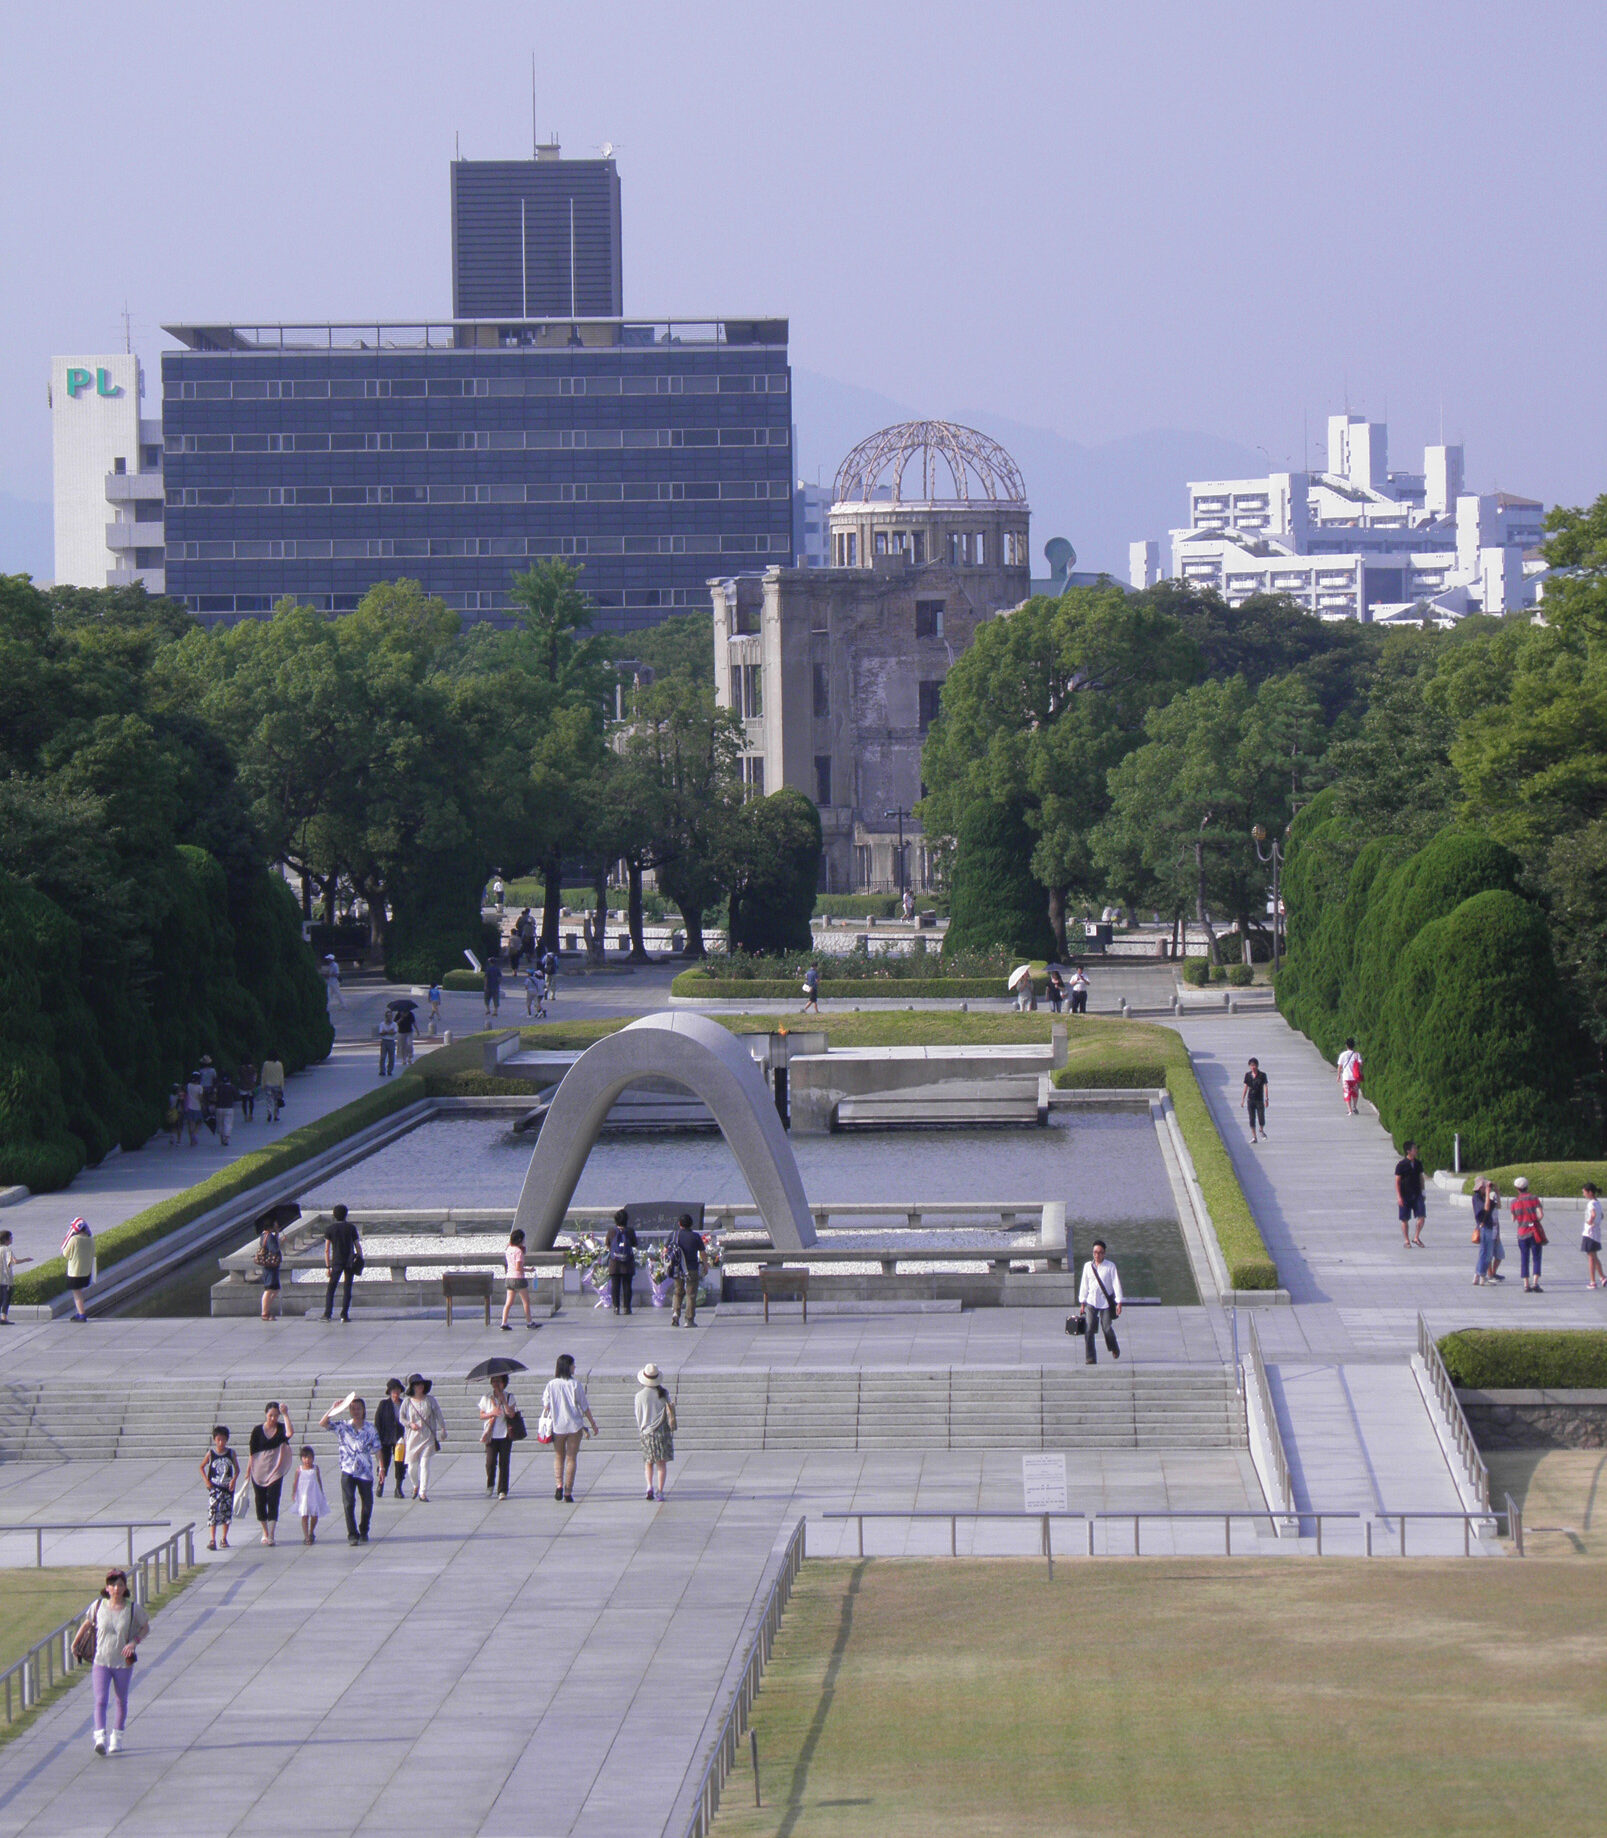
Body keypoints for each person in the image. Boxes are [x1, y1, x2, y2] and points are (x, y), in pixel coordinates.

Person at [79, 1569, 149, 1756]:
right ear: (107, 1588)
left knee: (120, 1699)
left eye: (120, 1584)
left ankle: (116, 1737)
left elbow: (145, 1627)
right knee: (101, 1700)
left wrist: (134, 1642)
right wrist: (75, 1642)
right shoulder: (98, 1606)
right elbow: (87, 1623)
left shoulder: (132, 1608)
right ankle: (100, 1736)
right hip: (101, 1660)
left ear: (125, 1587)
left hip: (122, 1663)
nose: (116, 1588)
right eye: (113, 1585)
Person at [319, 1394, 381, 1546]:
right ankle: (352, 1534)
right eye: (352, 1408)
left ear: (363, 1410)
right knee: (348, 1503)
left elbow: (377, 1448)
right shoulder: (343, 1426)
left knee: (367, 1503)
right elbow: (323, 1423)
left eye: (358, 1408)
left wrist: (382, 1466)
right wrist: (334, 1409)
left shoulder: (370, 1429)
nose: (355, 1411)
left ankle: (364, 1529)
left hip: (364, 1470)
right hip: (347, 1469)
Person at [542, 1353, 598, 1504]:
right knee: (571, 1458)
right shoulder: (575, 1384)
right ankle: (568, 1491)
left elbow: (546, 1406)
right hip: (574, 1425)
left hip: (557, 1426)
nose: (575, 1367)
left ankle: (559, 1484)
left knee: (559, 1456)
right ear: (568, 1367)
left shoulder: (551, 1384)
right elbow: (584, 1406)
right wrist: (592, 1423)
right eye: (573, 1364)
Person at [248, 1401, 295, 1545]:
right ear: (266, 1414)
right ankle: (265, 1532)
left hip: (276, 1468)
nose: (273, 1418)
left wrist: (286, 1414)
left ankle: (272, 1534)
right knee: (260, 1500)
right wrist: (247, 1471)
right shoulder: (257, 1431)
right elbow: (252, 1453)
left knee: (274, 1498)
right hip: (259, 1469)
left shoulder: (281, 1428)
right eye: (270, 1415)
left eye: (276, 1415)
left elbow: (289, 1433)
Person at [1076, 1239, 1124, 1366]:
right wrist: (1082, 1302)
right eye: (1095, 1252)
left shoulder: (1110, 1266)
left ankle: (1114, 1347)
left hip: (1106, 1303)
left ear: (1104, 1253)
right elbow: (1084, 1285)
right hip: (1091, 1302)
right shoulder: (1087, 1266)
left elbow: (1116, 1284)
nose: (1097, 1255)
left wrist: (1119, 1302)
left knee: (1107, 1328)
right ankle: (1090, 1357)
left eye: (1100, 1252)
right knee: (1089, 1329)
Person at [401, 1373, 446, 1501]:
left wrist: (443, 1428)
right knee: (411, 1468)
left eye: (421, 1384)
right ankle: (416, 1485)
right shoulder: (407, 1402)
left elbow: (438, 1414)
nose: (419, 1386)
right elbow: (401, 1418)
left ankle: (423, 1492)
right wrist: (410, 1424)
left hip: (428, 1436)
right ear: (412, 1387)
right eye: (416, 1384)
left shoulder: (430, 1400)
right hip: (412, 1437)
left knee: (425, 1463)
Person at [635, 1362, 675, 1501]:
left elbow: (638, 1415)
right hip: (662, 1431)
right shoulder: (663, 1393)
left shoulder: (640, 1396)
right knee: (661, 1464)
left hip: (647, 1432)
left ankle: (649, 1487)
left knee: (648, 1462)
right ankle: (660, 1491)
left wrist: (642, 1429)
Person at [479, 1372, 520, 1501]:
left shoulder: (509, 1397)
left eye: (499, 1381)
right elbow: (481, 1415)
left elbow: (511, 1414)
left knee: (504, 1462)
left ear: (504, 1383)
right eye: (494, 1381)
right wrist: (492, 1413)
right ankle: (490, 1483)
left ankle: (502, 1490)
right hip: (491, 1434)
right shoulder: (487, 1397)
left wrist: (503, 1401)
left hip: (505, 1434)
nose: (496, 1384)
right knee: (490, 1462)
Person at [198, 1425, 239, 1552]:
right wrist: (206, 1481)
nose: (221, 1442)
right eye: (218, 1439)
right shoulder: (211, 1454)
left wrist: (233, 1480)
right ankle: (212, 1539)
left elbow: (237, 1470)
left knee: (226, 1513)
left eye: (223, 1440)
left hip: (227, 1488)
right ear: (215, 1440)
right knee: (213, 1513)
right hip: (215, 1487)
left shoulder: (231, 1453)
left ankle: (224, 1538)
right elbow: (201, 1467)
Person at [668, 1213, 707, 1329]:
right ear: (691, 1224)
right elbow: (702, 1253)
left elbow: (666, 1251)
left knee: (678, 1292)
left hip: (677, 1268)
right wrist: (705, 1265)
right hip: (691, 1268)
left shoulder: (674, 1235)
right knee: (691, 1294)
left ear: (679, 1224)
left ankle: (675, 1313)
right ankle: (689, 1320)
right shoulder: (695, 1236)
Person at [323, 1204, 361, 1322]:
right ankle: (344, 1314)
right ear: (346, 1214)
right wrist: (360, 1258)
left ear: (334, 1215)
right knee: (347, 1288)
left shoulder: (330, 1229)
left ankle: (327, 1314)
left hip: (336, 1261)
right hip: (349, 1261)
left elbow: (327, 1249)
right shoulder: (351, 1228)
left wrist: (327, 1266)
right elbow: (357, 1246)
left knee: (331, 1288)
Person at [1511, 1176, 1546, 1292]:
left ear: (1517, 1188)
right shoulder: (1534, 1198)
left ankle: (1526, 1284)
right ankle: (1535, 1283)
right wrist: (1534, 1221)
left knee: (1524, 1258)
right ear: (1527, 1186)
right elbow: (1541, 1215)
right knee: (1537, 1257)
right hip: (1534, 1232)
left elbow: (1513, 1219)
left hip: (1522, 1233)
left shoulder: (1514, 1202)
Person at [374, 1378, 407, 1498]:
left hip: (399, 1439)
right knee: (384, 1462)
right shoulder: (384, 1404)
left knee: (400, 1463)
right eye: (393, 1390)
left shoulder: (404, 1404)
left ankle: (398, 1488)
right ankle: (381, 1484)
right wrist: (377, 1437)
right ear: (390, 1392)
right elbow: (378, 1421)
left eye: (398, 1390)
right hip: (385, 1438)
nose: (396, 1393)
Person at [293, 1446, 328, 1544]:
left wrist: (321, 1492)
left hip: (313, 1494)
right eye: (304, 1458)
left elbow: (319, 1480)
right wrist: (294, 1493)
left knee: (314, 1515)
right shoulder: (299, 1470)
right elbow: (295, 1482)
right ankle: (306, 1536)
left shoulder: (316, 1468)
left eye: (309, 1457)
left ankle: (311, 1531)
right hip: (303, 1495)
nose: (307, 1460)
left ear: (313, 1458)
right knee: (304, 1515)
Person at [607, 1208, 638, 1316]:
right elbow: (635, 1244)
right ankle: (627, 1308)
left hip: (614, 1264)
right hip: (627, 1263)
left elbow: (608, 1244)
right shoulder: (630, 1231)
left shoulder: (611, 1231)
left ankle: (616, 1307)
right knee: (627, 1286)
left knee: (615, 1286)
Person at [1395, 1140, 1427, 1247]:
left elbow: (1421, 1178)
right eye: (1414, 1149)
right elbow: (1397, 1182)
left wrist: (1423, 1192)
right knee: (1404, 1219)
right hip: (1405, 1195)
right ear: (1408, 1151)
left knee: (1421, 1216)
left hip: (1417, 1194)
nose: (1416, 1150)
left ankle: (1416, 1237)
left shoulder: (1418, 1163)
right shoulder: (1401, 1165)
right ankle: (1406, 1240)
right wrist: (1399, 1196)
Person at [501, 1228, 534, 1331]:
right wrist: (529, 1270)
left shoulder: (508, 1249)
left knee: (508, 1303)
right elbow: (518, 1268)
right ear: (520, 1239)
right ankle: (529, 1322)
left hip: (509, 1278)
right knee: (526, 1301)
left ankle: (504, 1323)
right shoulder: (518, 1251)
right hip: (518, 1278)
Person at [62, 1216, 94, 1320]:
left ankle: (81, 1314)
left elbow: (66, 1254)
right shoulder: (90, 1239)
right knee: (79, 1292)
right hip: (86, 1271)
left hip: (75, 1271)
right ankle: (80, 1312)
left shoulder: (74, 1240)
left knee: (77, 1293)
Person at [255, 1212, 284, 1322]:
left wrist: (277, 1234)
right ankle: (265, 1313)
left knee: (275, 1289)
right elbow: (274, 1250)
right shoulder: (270, 1237)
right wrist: (280, 1241)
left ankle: (267, 1310)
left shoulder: (264, 1235)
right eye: (275, 1223)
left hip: (270, 1266)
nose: (277, 1224)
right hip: (270, 1267)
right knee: (269, 1289)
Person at [0, 1228, 30, 1324]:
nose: (12, 1239)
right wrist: (26, 1259)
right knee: (6, 1298)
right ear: (6, 1240)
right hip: (6, 1278)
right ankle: (4, 1318)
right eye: (11, 1238)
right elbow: (15, 1261)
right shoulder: (7, 1249)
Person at [1241, 1058, 1269, 1143]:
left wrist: (1266, 1098)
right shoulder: (1248, 1075)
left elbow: (1265, 1086)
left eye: (1254, 1065)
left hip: (1259, 1099)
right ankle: (1254, 1137)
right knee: (1251, 1118)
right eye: (1251, 1065)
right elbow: (1246, 1087)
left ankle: (1261, 1129)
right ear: (1249, 1066)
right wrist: (1243, 1099)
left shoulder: (1262, 1075)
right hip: (1251, 1099)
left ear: (1257, 1066)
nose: (1253, 1067)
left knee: (1261, 1118)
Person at [1583, 1182, 1605, 1290]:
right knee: (1595, 1256)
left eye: (1584, 1192)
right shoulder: (1598, 1202)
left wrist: (1590, 1221)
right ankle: (1602, 1277)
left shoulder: (1591, 1203)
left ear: (1590, 1192)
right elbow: (1601, 1216)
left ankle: (1593, 1281)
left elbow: (1593, 1214)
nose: (1583, 1194)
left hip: (1590, 1233)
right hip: (1596, 1232)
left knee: (1591, 1258)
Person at [1337, 1038, 1363, 1115]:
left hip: (1346, 1077)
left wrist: (1338, 1075)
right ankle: (1354, 1107)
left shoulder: (1343, 1054)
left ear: (1346, 1045)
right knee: (1355, 1092)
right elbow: (1361, 1063)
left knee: (1347, 1092)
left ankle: (1349, 1109)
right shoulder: (1357, 1054)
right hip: (1355, 1077)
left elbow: (1340, 1066)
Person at [214, 1069, 238, 1147]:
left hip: (219, 1107)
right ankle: (226, 1139)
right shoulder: (232, 1087)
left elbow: (214, 1096)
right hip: (229, 1107)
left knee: (220, 1123)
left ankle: (221, 1138)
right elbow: (236, 1097)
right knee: (228, 1123)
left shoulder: (218, 1087)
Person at [183, 1070, 206, 1146]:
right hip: (197, 1107)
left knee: (190, 1124)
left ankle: (191, 1140)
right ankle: (194, 1135)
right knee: (199, 1123)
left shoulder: (188, 1085)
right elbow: (200, 1098)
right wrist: (203, 1104)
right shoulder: (200, 1087)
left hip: (188, 1107)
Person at [261, 1052, 285, 1124]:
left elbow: (263, 1075)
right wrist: (282, 1086)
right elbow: (281, 1076)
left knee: (269, 1100)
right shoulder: (279, 1064)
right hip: (277, 1085)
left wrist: (263, 1084)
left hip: (268, 1085)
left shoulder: (266, 1064)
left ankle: (269, 1112)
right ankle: (276, 1115)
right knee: (276, 1101)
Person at [395, 1003, 416, 1067]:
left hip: (409, 1031)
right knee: (402, 1046)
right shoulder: (398, 1014)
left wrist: (417, 1030)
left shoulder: (410, 1014)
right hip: (401, 1032)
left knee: (410, 1044)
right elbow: (395, 1023)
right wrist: (401, 1018)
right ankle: (404, 1059)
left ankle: (409, 1057)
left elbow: (413, 1022)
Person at [377, 1012, 397, 1078]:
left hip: (391, 1041)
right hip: (384, 1041)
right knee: (383, 1057)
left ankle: (390, 1070)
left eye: (391, 1016)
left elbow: (394, 1032)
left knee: (391, 1057)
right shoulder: (382, 1024)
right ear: (386, 1017)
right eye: (388, 1016)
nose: (389, 1017)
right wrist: (388, 1032)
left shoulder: (394, 1024)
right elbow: (381, 1033)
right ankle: (382, 1070)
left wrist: (386, 1032)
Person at [164, 1083, 184, 1147]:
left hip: (171, 1112)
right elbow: (181, 1103)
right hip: (178, 1112)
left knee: (172, 1126)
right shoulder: (179, 1096)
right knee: (179, 1127)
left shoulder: (170, 1096)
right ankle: (179, 1141)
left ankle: (172, 1137)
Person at [238, 1057, 257, 1124]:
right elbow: (255, 1077)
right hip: (251, 1086)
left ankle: (245, 1115)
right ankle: (251, 1114)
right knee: (251, 1101)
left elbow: (239, 1078)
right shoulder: (253, 1068)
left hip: (243, 1086)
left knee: (244, 1102)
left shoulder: (240, 1068)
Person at [483, 954, 502, 1019]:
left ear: (490, 962)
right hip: (495, 986)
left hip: (488, 986)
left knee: (486, 999)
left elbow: (486, 978)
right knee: (496, 999)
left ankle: (488, 1010)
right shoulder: (497, 969)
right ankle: (495, 1011)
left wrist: (485, 986)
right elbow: (499, 978)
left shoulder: (488, 969)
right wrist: (498, 984)